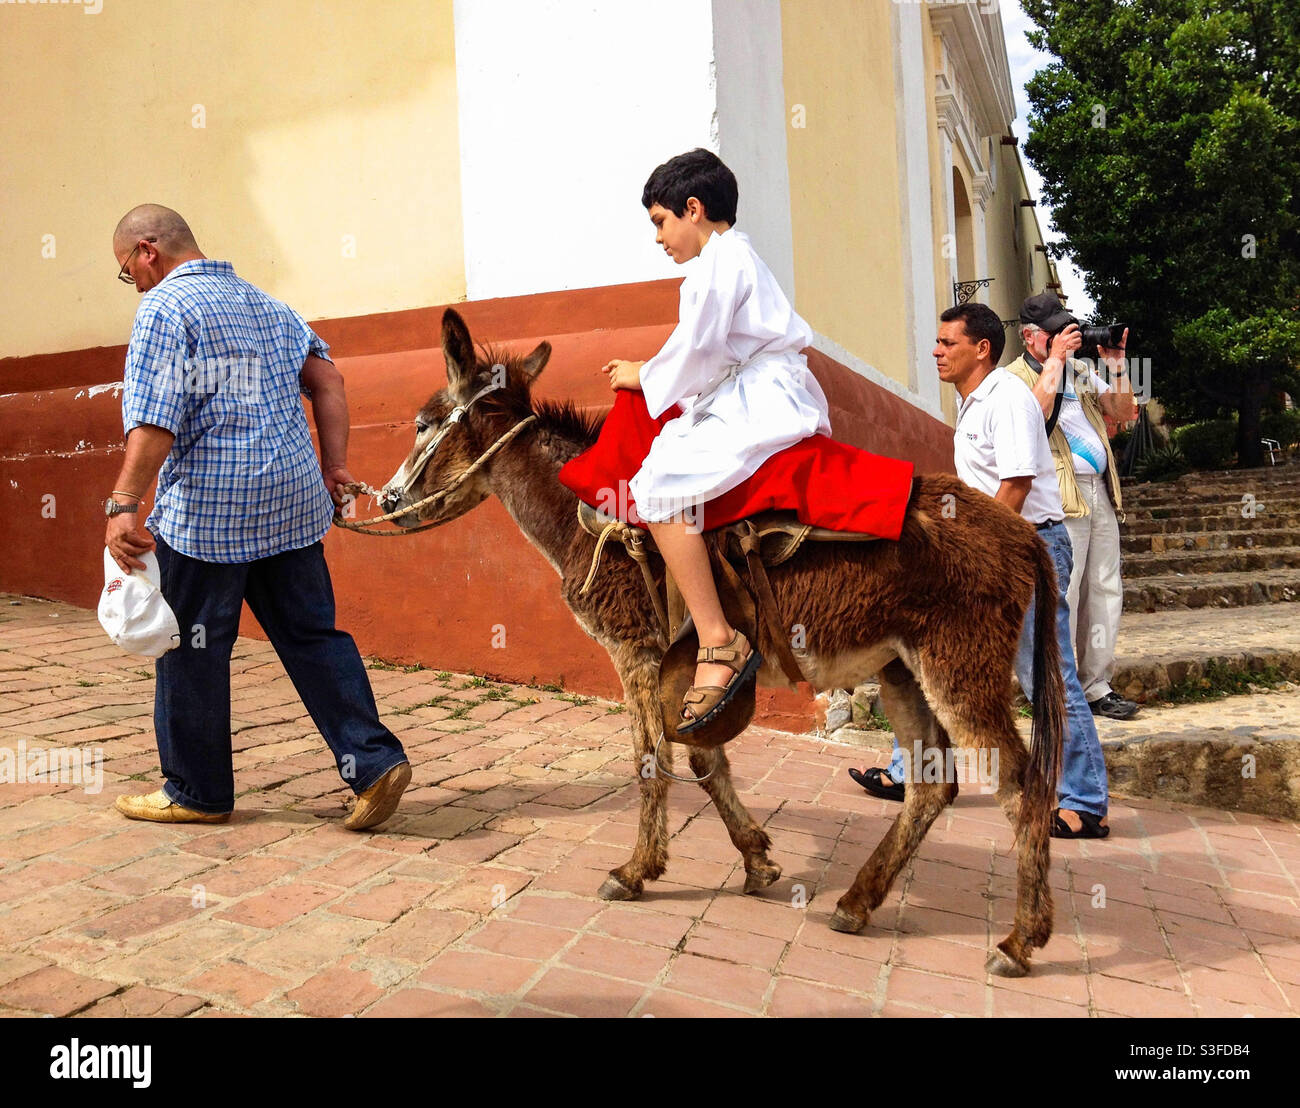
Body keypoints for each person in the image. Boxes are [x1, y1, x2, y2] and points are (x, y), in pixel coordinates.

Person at [105, 204, 411, 829]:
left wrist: (123, 504)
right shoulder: (265, 303)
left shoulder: (165, 307)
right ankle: (374, 763)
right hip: (292, 500)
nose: (133, 283)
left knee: (189, 646)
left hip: (213, 509)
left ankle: (196, 791)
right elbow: (328, 380)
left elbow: (156, 420)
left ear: (147, 251)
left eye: (126, 271)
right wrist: (336, 465)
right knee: (311, 635)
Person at [851, 303, 1110, 838]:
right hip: (993, 547)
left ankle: (1084, 802)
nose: (936, 351)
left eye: (947, 343)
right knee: (932, 659)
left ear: (982, 348)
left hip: (1025, 550)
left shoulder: (1008, 397)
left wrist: (977, 554)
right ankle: (918, 771)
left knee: (1046, 677)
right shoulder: (974, 402)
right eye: (939, 342)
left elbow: (1015, 485)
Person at [600, 149, 831, 732]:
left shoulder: (716, 263)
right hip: (757, 390)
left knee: (656, 488)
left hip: (759, 399)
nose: (658, 238)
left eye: (660, 221)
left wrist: (641, 374)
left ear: (693, 209)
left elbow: (697, 349)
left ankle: (717, 637)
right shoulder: (736, 257)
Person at [1004, 291, 1138, 721]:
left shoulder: (1080, 370)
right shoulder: (1013, 380)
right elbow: (1037, 417)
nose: (1067, 337)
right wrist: (1055, 363)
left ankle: (1097, 685)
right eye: (1055, 333)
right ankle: (1055, 688)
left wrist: (1116, 363)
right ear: (1030, 338)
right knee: (1067, 590)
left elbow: (1124, 412)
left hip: (1098, 489)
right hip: (1059, 497)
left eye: (1068, 329)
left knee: (1105, 588)